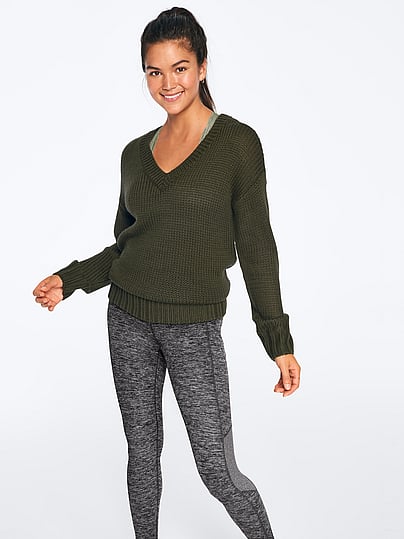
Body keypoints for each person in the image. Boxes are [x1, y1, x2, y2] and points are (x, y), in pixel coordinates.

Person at [33, 7, 301, 539]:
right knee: (142, 454)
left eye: (179, 68)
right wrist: (71, 279)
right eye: (154, 71)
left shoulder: (236, 144)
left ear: (202, 67)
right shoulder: (135, 154)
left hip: (194, 330)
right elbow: (129, 245)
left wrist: (278, 340)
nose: (167, 83)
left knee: (217, 469)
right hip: (127, 319)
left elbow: (257, 246)